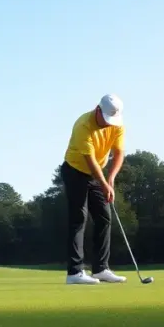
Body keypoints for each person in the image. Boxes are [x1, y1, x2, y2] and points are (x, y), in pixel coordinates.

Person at [60, 94, 127, 284]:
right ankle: (74, 273)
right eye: (105, 119)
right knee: (78, 218)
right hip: (75, 171)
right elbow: (90, 162)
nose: (108, 124)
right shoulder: (83, 125)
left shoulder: (117, 125)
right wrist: (104, 183)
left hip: (96, 173)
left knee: (104, 217)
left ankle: (100, 269)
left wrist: (111, 178)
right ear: (97, 110)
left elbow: (119, 152)